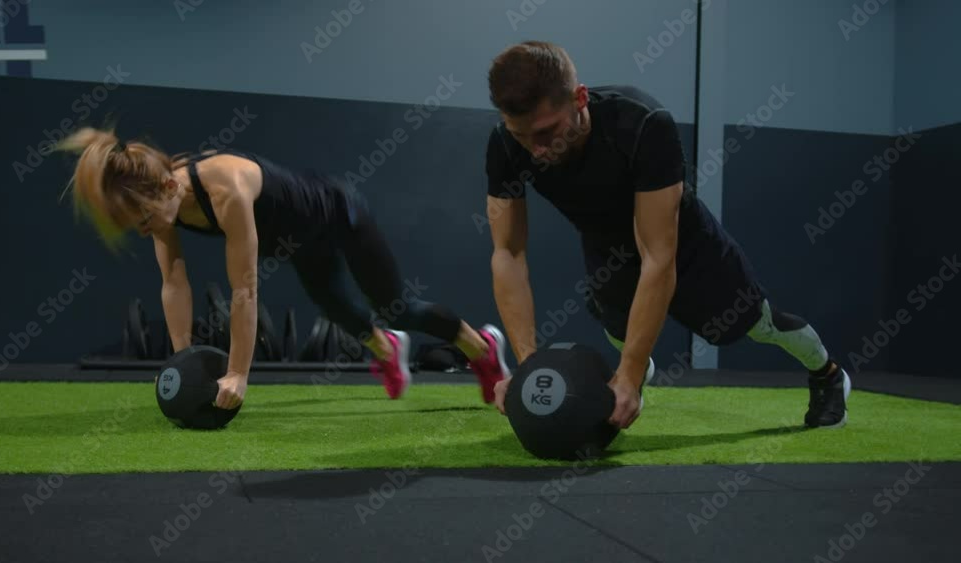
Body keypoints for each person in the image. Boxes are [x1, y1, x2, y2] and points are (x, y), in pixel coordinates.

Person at [483, 41, 850, 430]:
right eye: (523, 136)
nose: (537, 150)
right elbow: (508, 253)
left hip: (686, 245)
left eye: (547, 132)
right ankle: (637, 362)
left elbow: (659, 255)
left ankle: (828, 374)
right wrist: (527, 366)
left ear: (580, 98)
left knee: (757, 324)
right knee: (618, 328)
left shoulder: (641, 123)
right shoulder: (505, 144)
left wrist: (629, 375)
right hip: (608, 248)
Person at [56, 128, 510, 408]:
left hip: (340, 215)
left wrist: (238, 374)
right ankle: (388, 349)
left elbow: (244, 289)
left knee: (396, 308)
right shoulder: (159, 202)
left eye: (145, 220)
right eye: (135, 225)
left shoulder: (226, 187)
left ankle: (481, 348)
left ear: (168, 188)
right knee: (337, 310)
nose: (145, 230)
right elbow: (174, 282)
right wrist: (183, 362)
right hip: (302, 243)